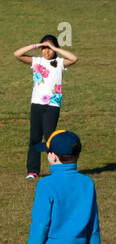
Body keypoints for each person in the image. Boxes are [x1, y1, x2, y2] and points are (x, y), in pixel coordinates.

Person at [13, 35, 78, 178]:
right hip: (36, 104)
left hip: (53, 105)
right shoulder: (36, 61)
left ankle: (56, 168)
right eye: (44, 48)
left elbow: (74, 58)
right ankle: (32, 171)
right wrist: (36, 45)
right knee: (34, 138)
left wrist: (55, 48)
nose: (46, 51)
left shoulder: (60, 62)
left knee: (50, 138)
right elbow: (17, 54)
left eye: (49, 49)